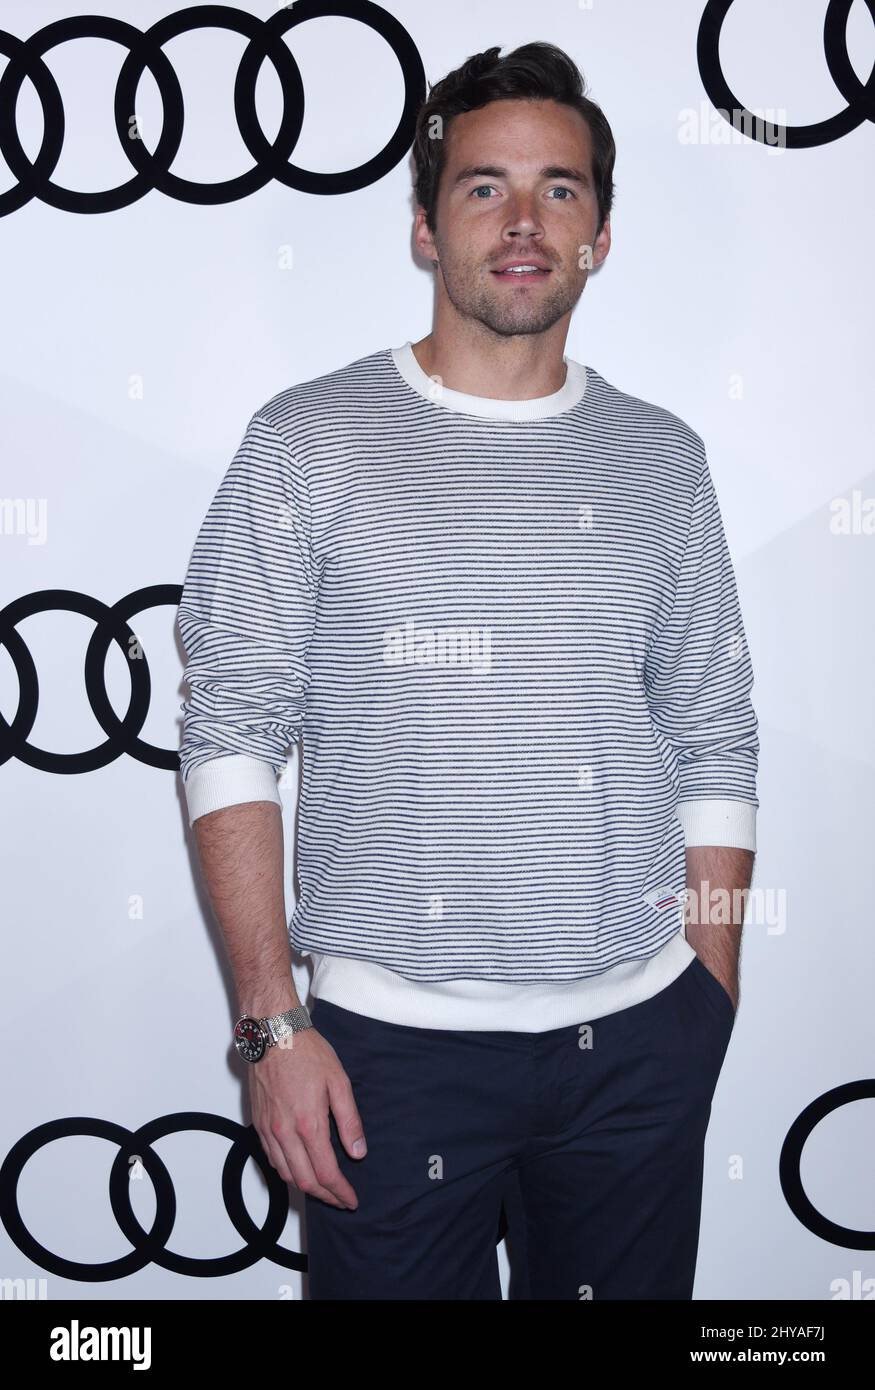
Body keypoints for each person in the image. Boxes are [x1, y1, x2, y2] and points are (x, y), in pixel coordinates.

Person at [177, 41, 758, 1300]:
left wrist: (709, 989)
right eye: (482, 186)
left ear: (599, 232)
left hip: (637, 1046)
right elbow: (229, 731)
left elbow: (711, 736)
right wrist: (276, 1026)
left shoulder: (662, 460)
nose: (521, 220)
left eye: (559, 188)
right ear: (424, 228)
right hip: (391, 1057)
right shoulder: (306, 441)